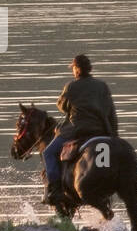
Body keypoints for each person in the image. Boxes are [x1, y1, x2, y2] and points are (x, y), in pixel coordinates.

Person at [42, 54, 119, 208]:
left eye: (73, 68)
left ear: (76, 69)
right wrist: (113, 136)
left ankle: (55, 189)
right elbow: (111, 114)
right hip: (101, 131)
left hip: (77, 130)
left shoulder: (71, 86)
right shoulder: (102, 86)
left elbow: (62, 106)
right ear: (89, 69)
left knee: (48, 153)